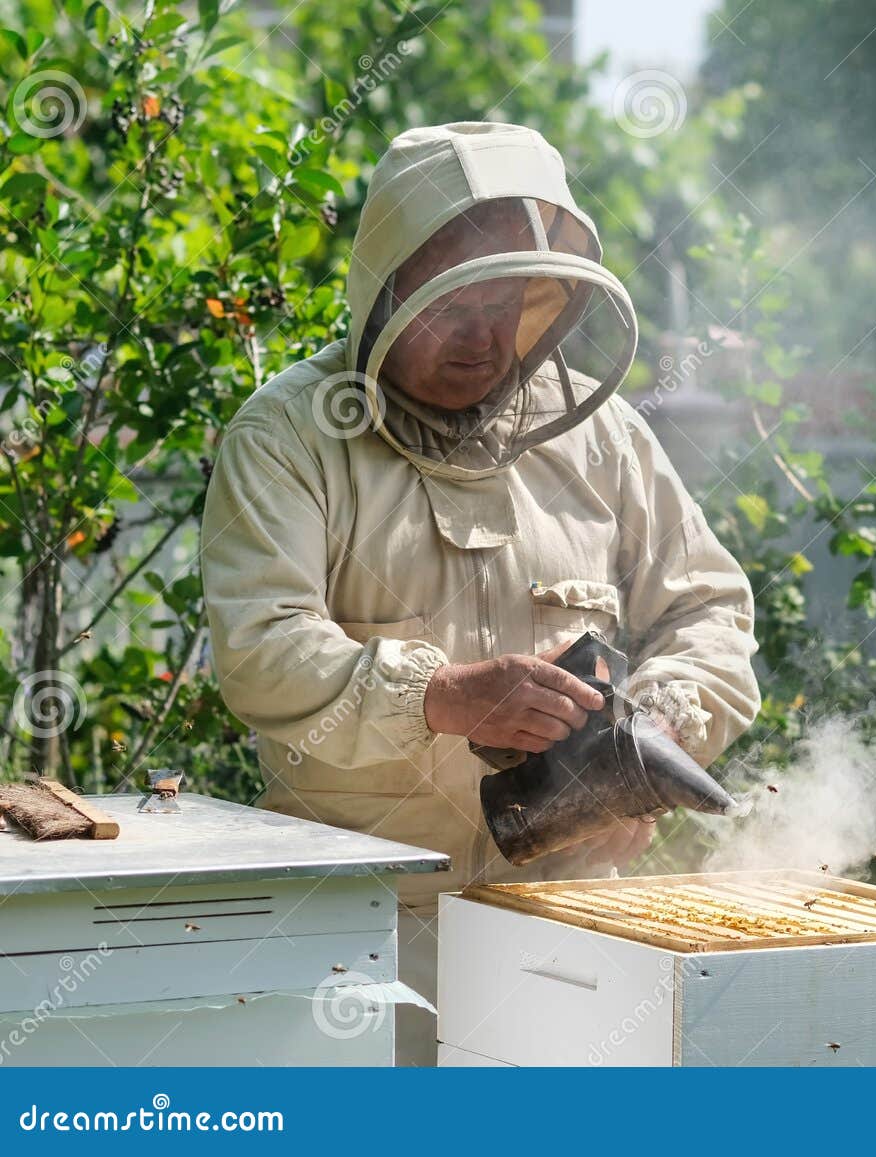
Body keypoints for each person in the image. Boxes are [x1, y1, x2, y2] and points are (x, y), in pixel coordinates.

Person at [199, 122, 760, 1065]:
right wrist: (441, 694)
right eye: (454, 305)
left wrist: (648, 737)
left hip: (571, 930)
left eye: (510, 304)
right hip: (361, 933)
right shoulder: (290, 437)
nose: (485, 338)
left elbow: (708, 608)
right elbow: (262, 648)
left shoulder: (603, 437)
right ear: (385, 293)